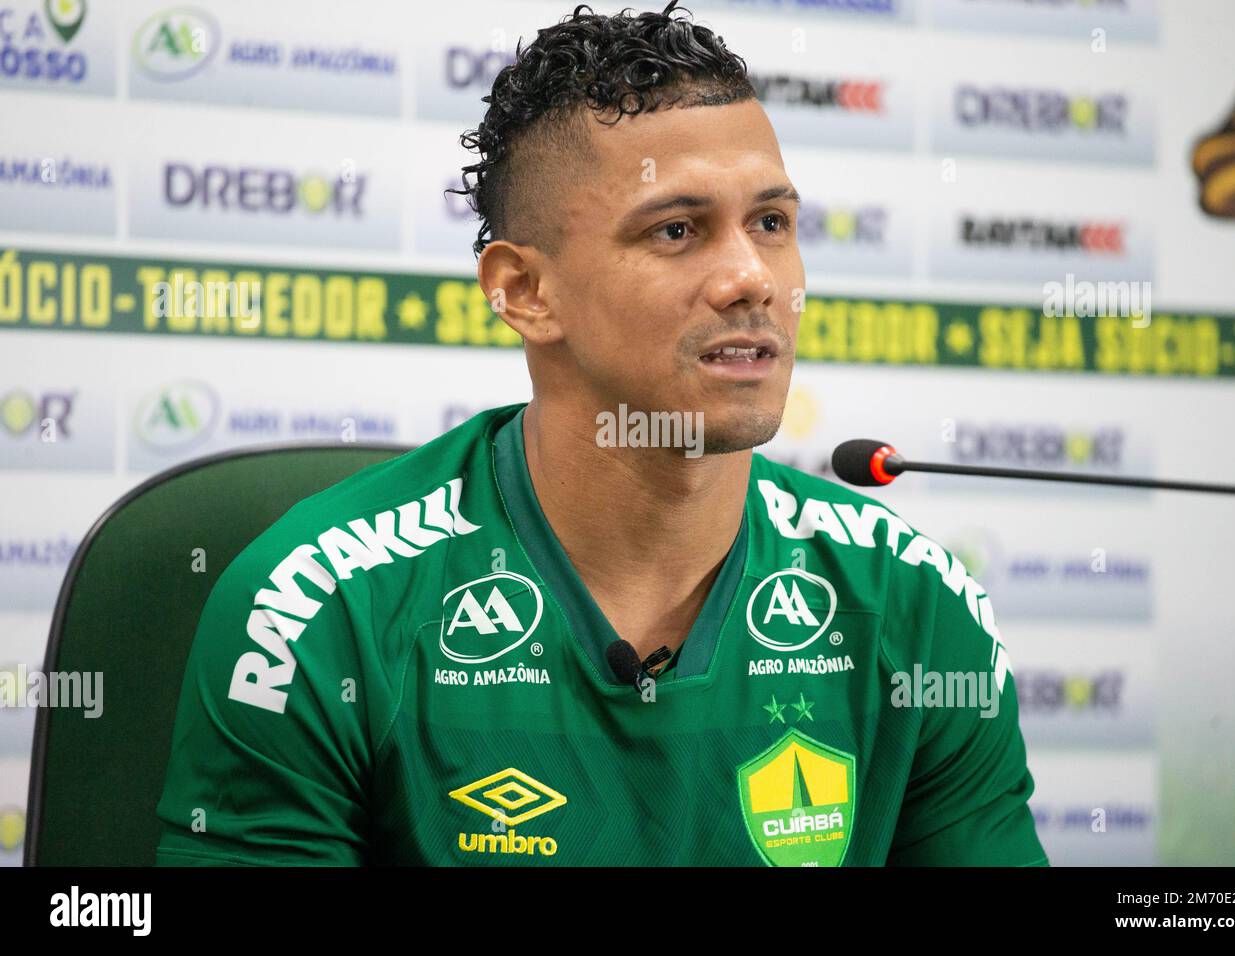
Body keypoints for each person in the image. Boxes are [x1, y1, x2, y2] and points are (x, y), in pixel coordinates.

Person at [155, 1, 1048, 866]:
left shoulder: (912, 603)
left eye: (771, 223)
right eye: (677, 229)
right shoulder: (320, 614)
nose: (752, 278)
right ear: (524, 291)